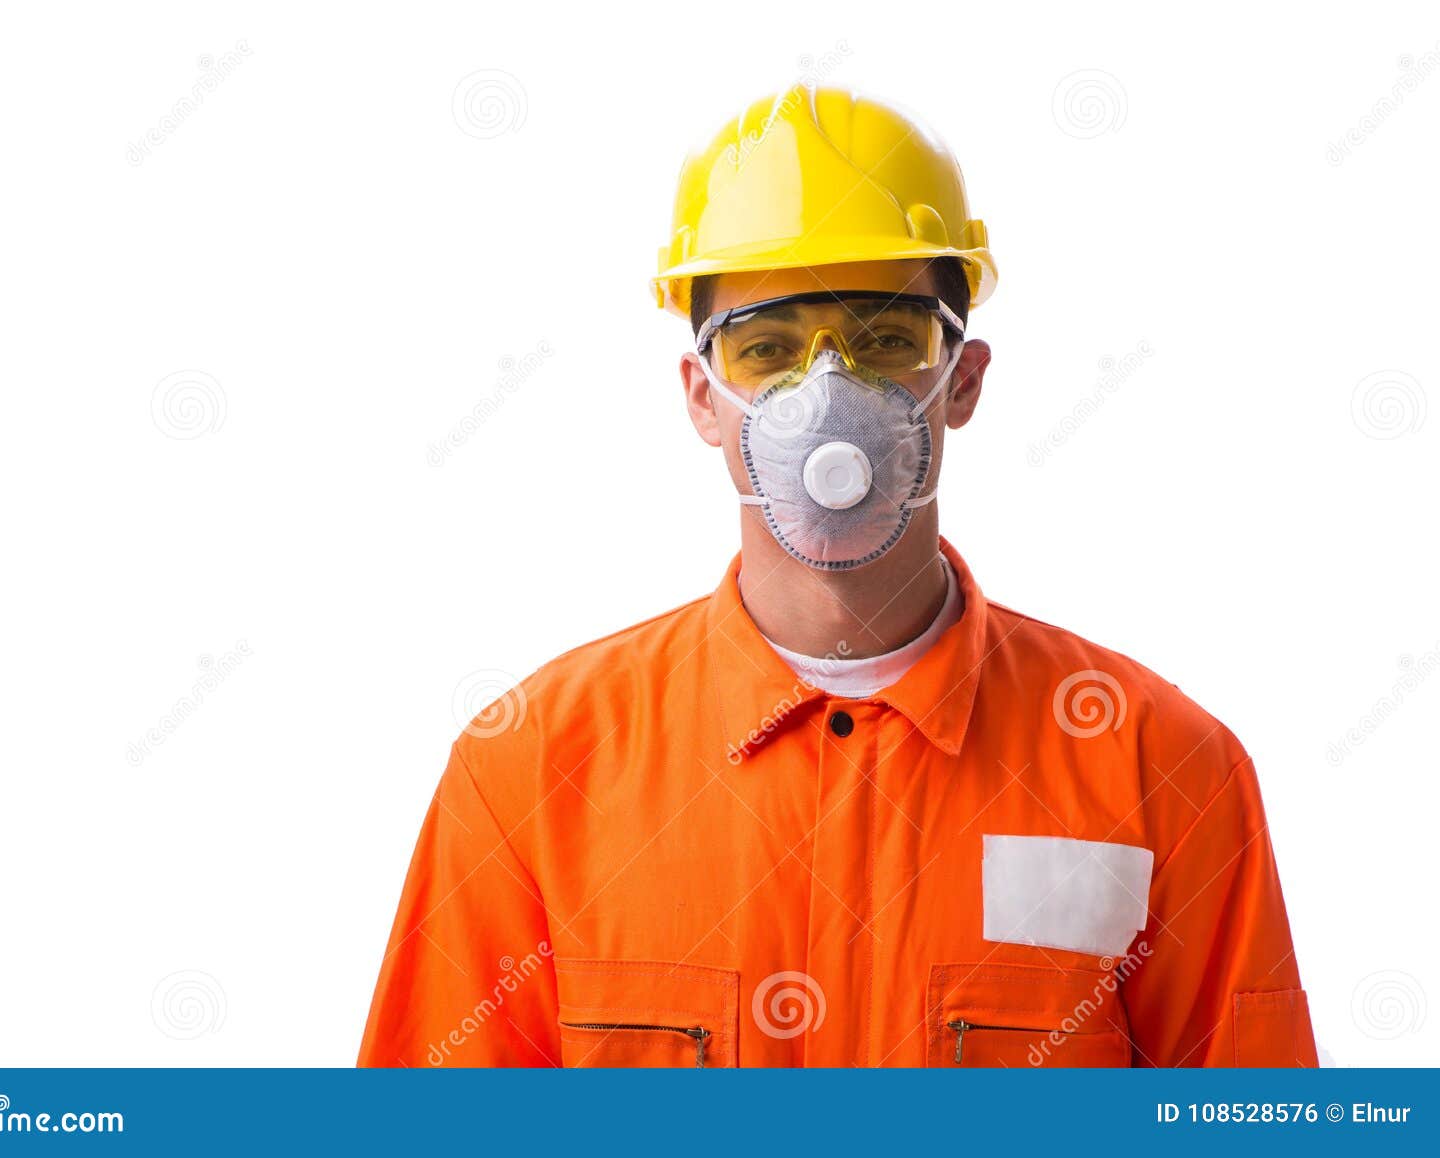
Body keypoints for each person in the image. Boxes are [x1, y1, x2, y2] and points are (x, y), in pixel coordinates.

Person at [358, 85, 1316, 1068]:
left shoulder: (1161, 769)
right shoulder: (536, 770)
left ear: (964, 379)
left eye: (887, 339)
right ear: (702, 396)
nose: (826, 393)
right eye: (766, 348)